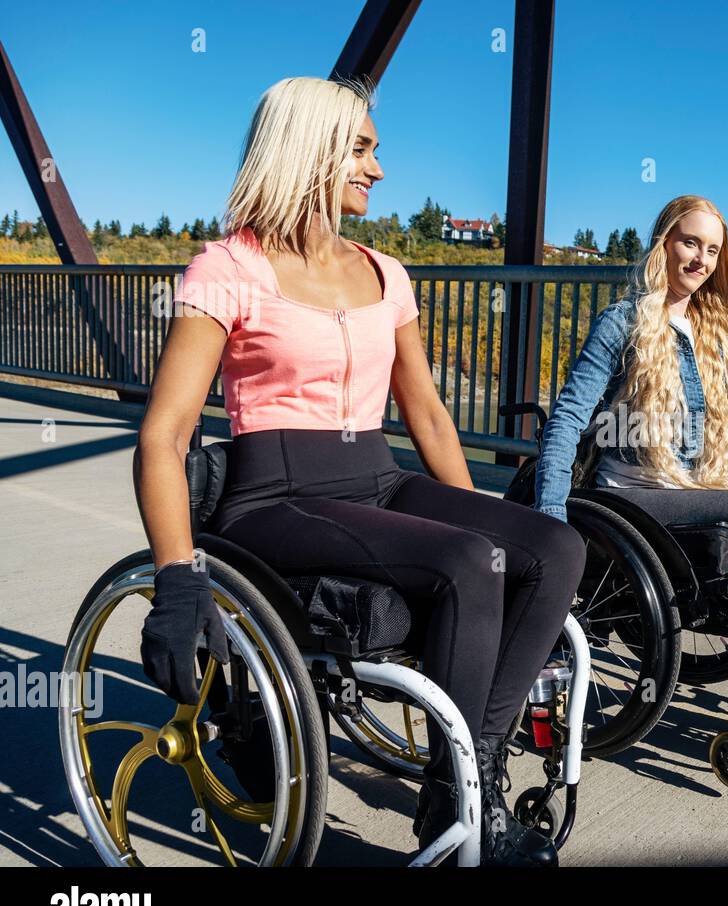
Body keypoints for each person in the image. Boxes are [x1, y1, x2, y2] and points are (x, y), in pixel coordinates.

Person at [134, 75, 586, 866]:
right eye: (363, 148)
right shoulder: (229, 267)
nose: (379, 168)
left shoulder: (385, 272)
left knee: (553, 548)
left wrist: (486, 519)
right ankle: (466, 805)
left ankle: (463, 779)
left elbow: (431, 418)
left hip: (376, 477)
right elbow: (166, 434)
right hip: (277, 493)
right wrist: (177, 575)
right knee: (467, 563)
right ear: (309, 149)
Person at [533, 195, 728, 729]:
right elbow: (567, 416)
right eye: (690, 242)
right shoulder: (624, 321)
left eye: (712, 250)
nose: (700, 259)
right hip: (632, 494)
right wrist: (550, 513)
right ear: (664, 244)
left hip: (685, 484)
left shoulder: (708, 330)